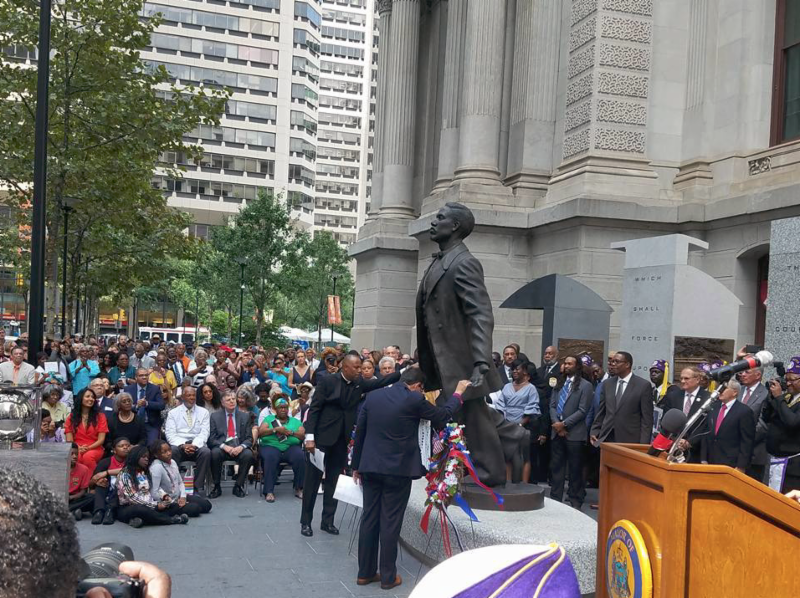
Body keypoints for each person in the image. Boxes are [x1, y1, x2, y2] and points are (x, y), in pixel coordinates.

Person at [351, 370, 466, 590]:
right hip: (398, 470)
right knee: (390, 521)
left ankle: (364, 573)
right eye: (422, 388)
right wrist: (458, 394)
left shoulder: (373, 396)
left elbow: (361, 431)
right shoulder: (413, 398)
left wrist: (356, 466)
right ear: (416, 385)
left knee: (369, 518)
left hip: (371, 467)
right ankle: (387, 576)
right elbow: (442, 416)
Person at [301, 354, 400, 537]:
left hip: (342, 439)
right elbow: (314, 409)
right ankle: (305, 521)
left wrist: (406, 371)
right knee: (312, 481)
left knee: (333, 481)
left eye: (360, 367)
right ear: (345, 367)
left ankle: (327, 521)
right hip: (321, 438)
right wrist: (309, 437)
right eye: (356, 367)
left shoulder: (359, 383)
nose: (359, 370)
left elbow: (380, 383)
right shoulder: (327, 381)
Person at [549, 356, 593, 509]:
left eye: (570, 364)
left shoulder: (585, 386)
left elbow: (583, 410)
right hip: (557, 432)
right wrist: (556, 424)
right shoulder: (559, 383)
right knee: (557, 468)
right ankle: (555, 499)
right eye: (565, 363)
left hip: (574, 433)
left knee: (575, 469)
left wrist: (564, 424)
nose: (566, 366)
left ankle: (575, 500)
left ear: (577, 366)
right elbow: (552, 406)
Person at [116, 445, 189, 528]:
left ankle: (142, 520)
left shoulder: (145, 472)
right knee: (141, 509)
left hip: (150, 505)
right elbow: (132, 498)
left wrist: (165, 497)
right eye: (143, 457)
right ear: (135, 457)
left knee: (174, 506)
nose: (146, 459)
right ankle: (171, 520)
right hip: (129, 507)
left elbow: (154, 487)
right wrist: (155, 506)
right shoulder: (125, 474)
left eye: (147, 457)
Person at [590, 351, 654, 446]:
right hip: (607, 437)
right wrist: (595, 431)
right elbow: (602, 411)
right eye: (612, 361)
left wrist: (643, 445)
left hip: (630, 440)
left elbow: (647, 420)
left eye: (617, 361)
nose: (613, 364)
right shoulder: (607, 384)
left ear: (627, 364)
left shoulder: (643, 386)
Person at [493, 359, 540, 483]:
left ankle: (524, 484)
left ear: (525, 371)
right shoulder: (507, 386)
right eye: (513, 369)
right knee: (508, 455)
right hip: (507, 425)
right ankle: (508, 483)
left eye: (517, 369)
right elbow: (500, 405)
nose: (514, 371)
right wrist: (505, 423)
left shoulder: (531, 388)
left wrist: (520, 424)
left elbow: (532, 407)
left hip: (524, 426)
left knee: (524, 456)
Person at [164, 386, 211, 497]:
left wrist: (194, 445)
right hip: (179, 445)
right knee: (172, 451)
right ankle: (176, 485)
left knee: (206, 452)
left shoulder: (203, 412)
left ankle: (196, 487)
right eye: (189, 395)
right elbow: (170, 434)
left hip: (197, 444)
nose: (192, 398)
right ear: (183, 397)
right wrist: (183, 445)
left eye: (193, 395)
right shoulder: (173, 413)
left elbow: (205, 433)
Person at [208, 390, 255, 499]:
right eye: (228, 400)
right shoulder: (215, 416)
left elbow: (249, 438)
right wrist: (225, 447)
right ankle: (216, 486)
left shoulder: (244, 416)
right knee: (214, 453)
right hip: (223, 447)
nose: (232, 401)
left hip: (239, 446)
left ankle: (238, 485)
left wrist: (241, 447)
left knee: (248, 454)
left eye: (233, 399)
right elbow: (211, 438)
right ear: (222, 403)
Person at [258, 395, 305, 503]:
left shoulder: (295, 421)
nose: (283, 409)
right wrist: (275, 430)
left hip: (290, 447)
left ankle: (299, 488)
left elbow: (302, 435)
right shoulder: (269, 419)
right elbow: (261, 432)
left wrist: (291, 432)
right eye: (280, 407)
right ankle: (269, 491)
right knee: (270, 457)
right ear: (276, 409)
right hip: (271, 446)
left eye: (285, 407)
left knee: (300, 456)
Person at [700, 379, 755, 471]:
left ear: (734, 392)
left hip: (731, 464)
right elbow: (705, 433)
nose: (719, 391)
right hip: (710, 461)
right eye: (719, 388)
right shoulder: (713, 407)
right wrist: (703, 458)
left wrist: (741, 466)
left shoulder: (744, 411)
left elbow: (747, 441)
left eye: (724, 388)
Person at [764, 356, 800, 493]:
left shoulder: (783, 399)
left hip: (793, 466)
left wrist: (779, 398)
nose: (788, 384)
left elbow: (792, 422)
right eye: (787, 379)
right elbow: (767, 418)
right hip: (774, 460)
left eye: (792, 380)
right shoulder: (787, 398)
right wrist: (771, 398)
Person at [149, 439, 212, 517]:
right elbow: (154, 491)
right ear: (156, 455)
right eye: (164, 452)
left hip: (178, 496)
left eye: (169, 450)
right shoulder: (156, 467)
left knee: (207, 505)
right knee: (195, 509)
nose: (169, 453)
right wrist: (170, 501)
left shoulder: (173, 462)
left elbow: (180, 482)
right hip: (168, 502)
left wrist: (183, 497)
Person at [736, 365, 769, 481]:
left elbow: (763, 425)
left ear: (758, 375)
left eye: (747, 372)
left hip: (754, 453)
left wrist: (742, 438)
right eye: (742, 372)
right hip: (733, 451)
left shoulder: (766, 394)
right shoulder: (738, 391)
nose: (743, 374)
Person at [64, 388, 108, 473]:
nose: (91, 399)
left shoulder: (100, 416)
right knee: (77, 456)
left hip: (95, 447)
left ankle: (91, 482)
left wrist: (88, 448)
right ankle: (77, 482)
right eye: (87, 396)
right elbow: (69, 440)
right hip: (77, 447)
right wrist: (78, 448)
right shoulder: (71, 417)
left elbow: (101, 440)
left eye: (92, 397)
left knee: (88, 457)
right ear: (81, 398)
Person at [89, 436, 131, 525]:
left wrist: (107, 472)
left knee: (120, 482)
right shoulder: (105, 462)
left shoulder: (131, 461)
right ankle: (99, 512)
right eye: (121, 446)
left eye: (127, 446)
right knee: (102, 483)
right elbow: (91, 484)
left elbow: (129, 471)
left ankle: (110, 511)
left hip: (123, 496)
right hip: (105, 493)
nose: (125, 447)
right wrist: (97, 481)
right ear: (114, 450)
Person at [124, 368, 165, 444]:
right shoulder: (128, 389)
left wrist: (147, 403)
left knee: (152, 445)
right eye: (141, 375)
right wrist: (136, 406)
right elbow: (123, 407)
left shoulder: (155, 388)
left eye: (146, 375)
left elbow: (161, 405)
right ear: (136, 377)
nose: (144, 377)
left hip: (150, 424)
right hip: (132, 423)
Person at [68, 444, 95, 520]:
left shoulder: (84, 469)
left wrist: (71, 497)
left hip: (74, 498)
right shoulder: (58, 467)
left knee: (93, 497)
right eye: (71, 454)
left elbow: (83, 491)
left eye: (76, 454)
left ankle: (64, 511)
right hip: (59, 497)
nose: (75, 456)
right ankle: (73, 511)